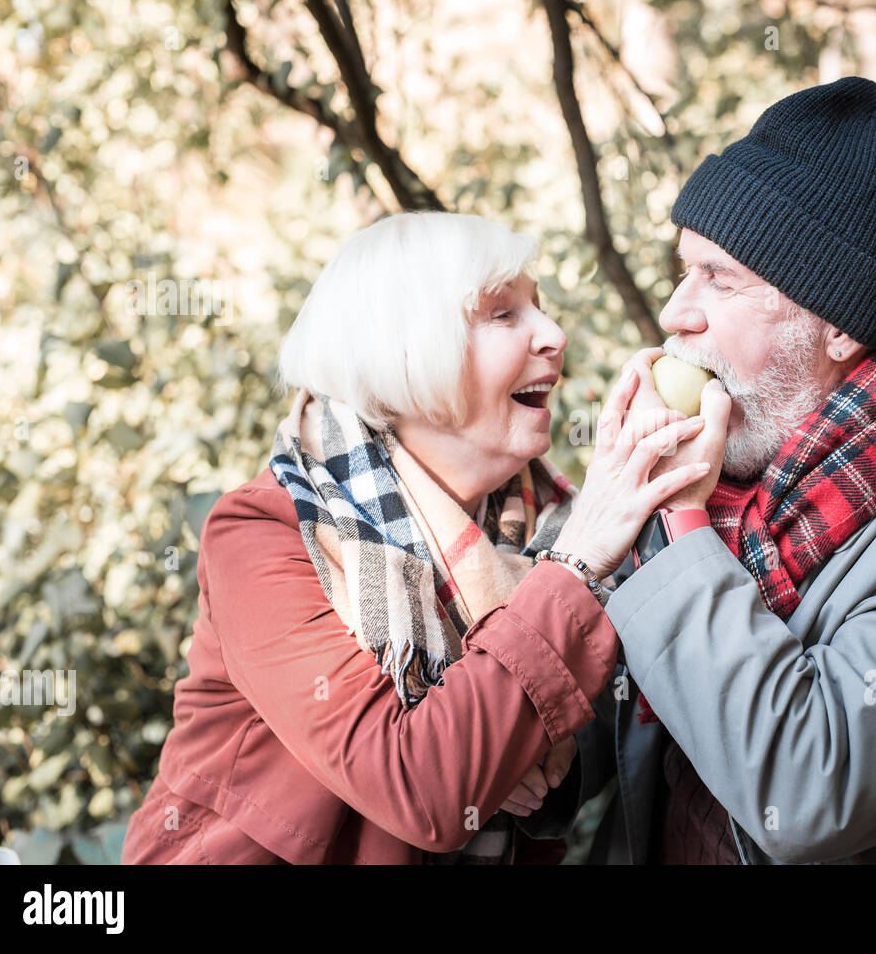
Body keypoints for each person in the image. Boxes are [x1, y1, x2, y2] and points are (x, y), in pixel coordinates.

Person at [539, 77, 876, 864]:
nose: (675, 313)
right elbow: (610, 739)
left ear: (838, 326)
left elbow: (808, 790)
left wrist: (683, 524)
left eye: (720, 278)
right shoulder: (724, 473)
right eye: (684, 270)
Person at [120, 211, 712, 864]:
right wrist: (574, 565)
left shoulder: (542, 517)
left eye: (539, 307)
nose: (553, 334)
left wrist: (534, 755)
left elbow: (590, 729)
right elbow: (419, 787)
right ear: (404, 352)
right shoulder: (266, 534)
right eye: (502, 314)